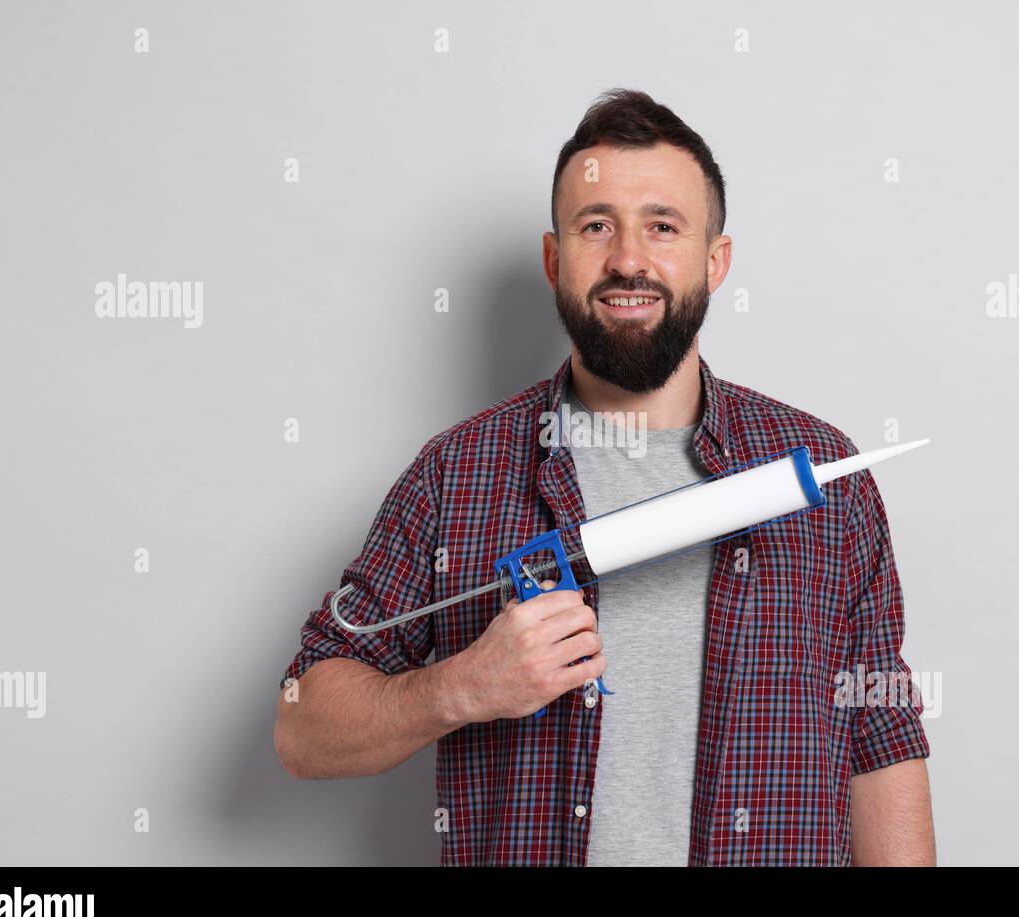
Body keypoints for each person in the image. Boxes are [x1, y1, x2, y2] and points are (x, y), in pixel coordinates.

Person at [274, 88, 935, 867]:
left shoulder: (825, 478)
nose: (628, 258)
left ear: (714, 262)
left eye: (663, 226)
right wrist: (460, 687)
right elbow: (300, 725)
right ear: (555, 260)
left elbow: (878, 737)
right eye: (597, 227)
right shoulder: (457, 474)